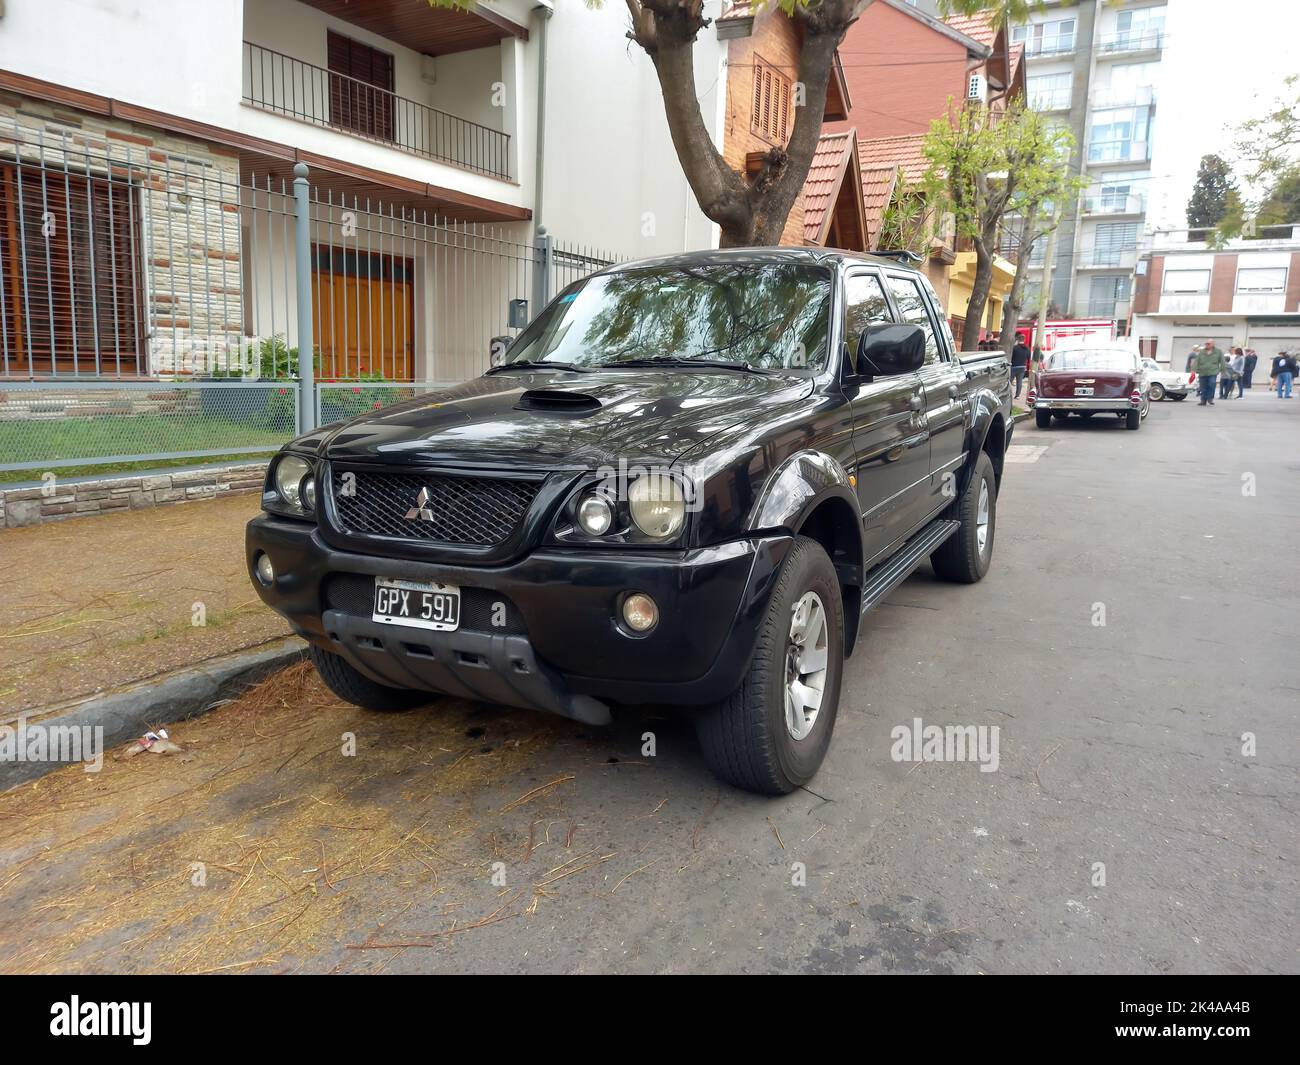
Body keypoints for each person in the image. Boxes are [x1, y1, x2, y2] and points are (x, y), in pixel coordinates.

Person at [1191, 339, 1228, 406]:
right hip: (1202, 372)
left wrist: (1221, 370)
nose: (1207, 345)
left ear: (1213, 344)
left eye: (1208, 344)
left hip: (1213, 372)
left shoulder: (1218, 351)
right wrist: (1193, 370)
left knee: (1212, 384)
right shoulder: (1201, 351)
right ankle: (1203, 400)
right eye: (1206, 343)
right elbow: (1196, 361)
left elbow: (1222, 361)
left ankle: (1210, 398)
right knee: (1203, 387)